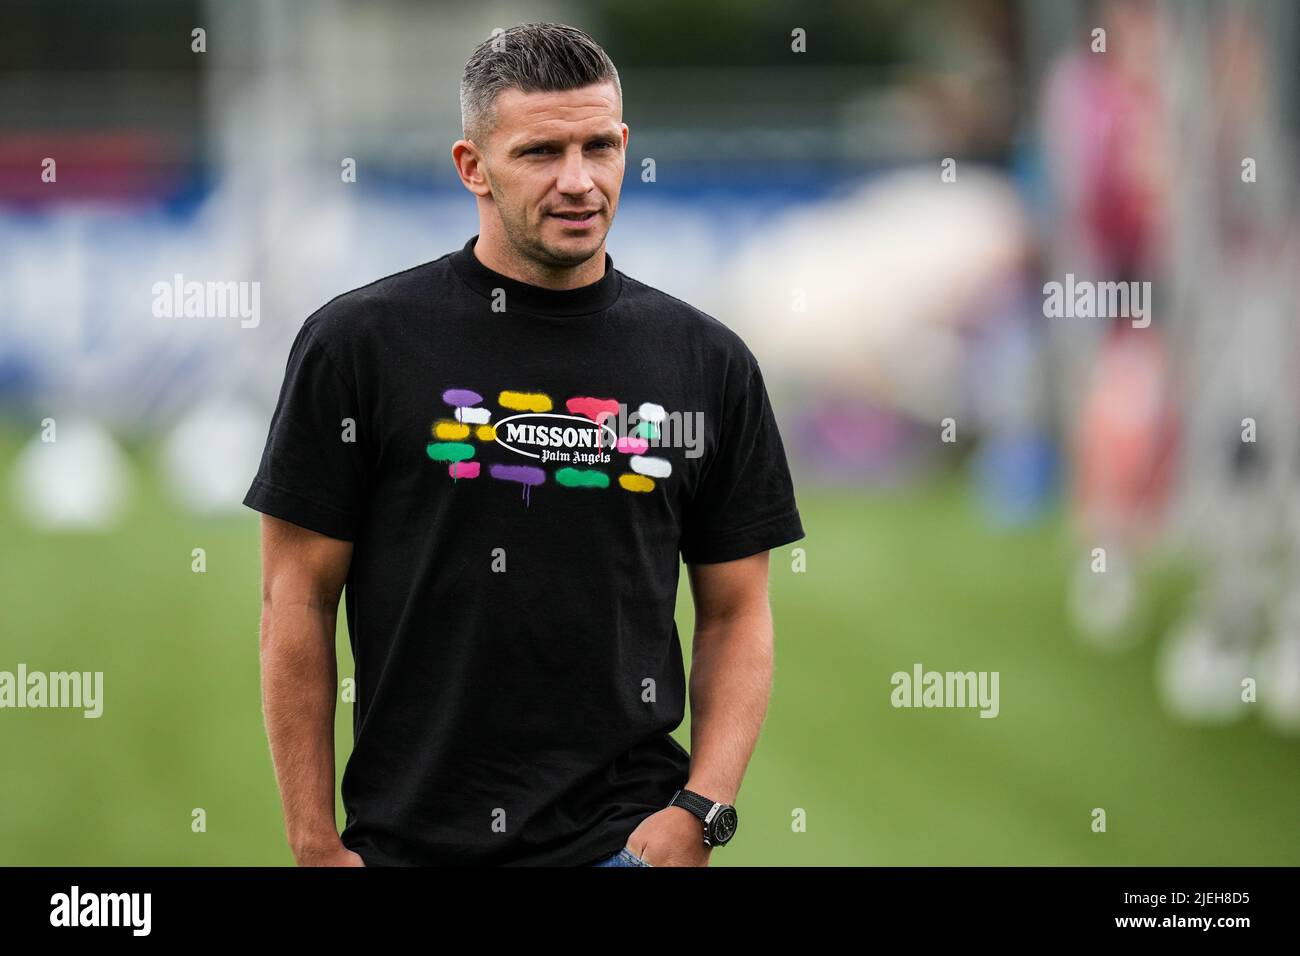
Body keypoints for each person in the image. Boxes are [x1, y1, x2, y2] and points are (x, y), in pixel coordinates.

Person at [245, 21, 805, 867]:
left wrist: (704, 808)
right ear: (473, 166)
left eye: (599, 147)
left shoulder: (706, 361)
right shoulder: (359, 345)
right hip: (410, 843)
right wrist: (313, 843)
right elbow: (295, 602)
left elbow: (736, 611)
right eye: (541, 152)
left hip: (624, 844)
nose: (579, 182)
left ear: (625, 147)